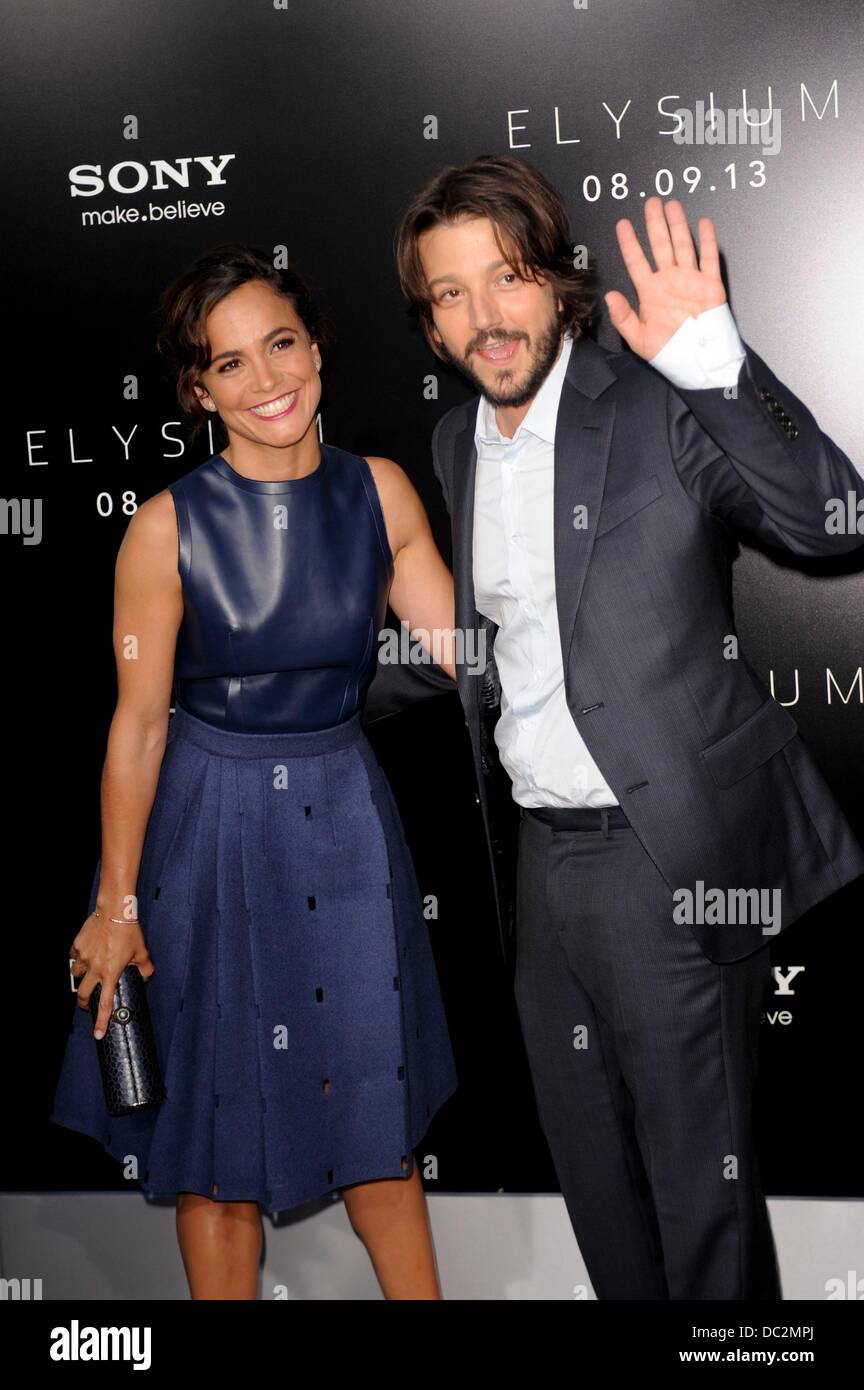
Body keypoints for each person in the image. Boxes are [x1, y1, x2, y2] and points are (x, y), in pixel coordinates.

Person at [390, 153, 864, 1299]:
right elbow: (491, 637)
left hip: (672, 856)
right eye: (450, 293)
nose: (485, 318)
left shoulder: (656, 402)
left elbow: (832, 520)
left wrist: (716, 362)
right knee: (599, 1188)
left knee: (705, 1199)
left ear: (558, 283)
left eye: (505, 277)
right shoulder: (458, 445)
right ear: (429, 321)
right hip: (546, 870)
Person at [50, 245, 460, 1300]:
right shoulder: (164, 527)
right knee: (218, 1151)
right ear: (198, 391)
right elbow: (138, 728)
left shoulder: (380, 492)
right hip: (211, 826)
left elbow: (466, 649)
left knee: (378, 1132)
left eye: (280, 343)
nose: (266, 377)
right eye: (229, 364)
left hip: (347, 821)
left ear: (316, 348)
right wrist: (117, 900)